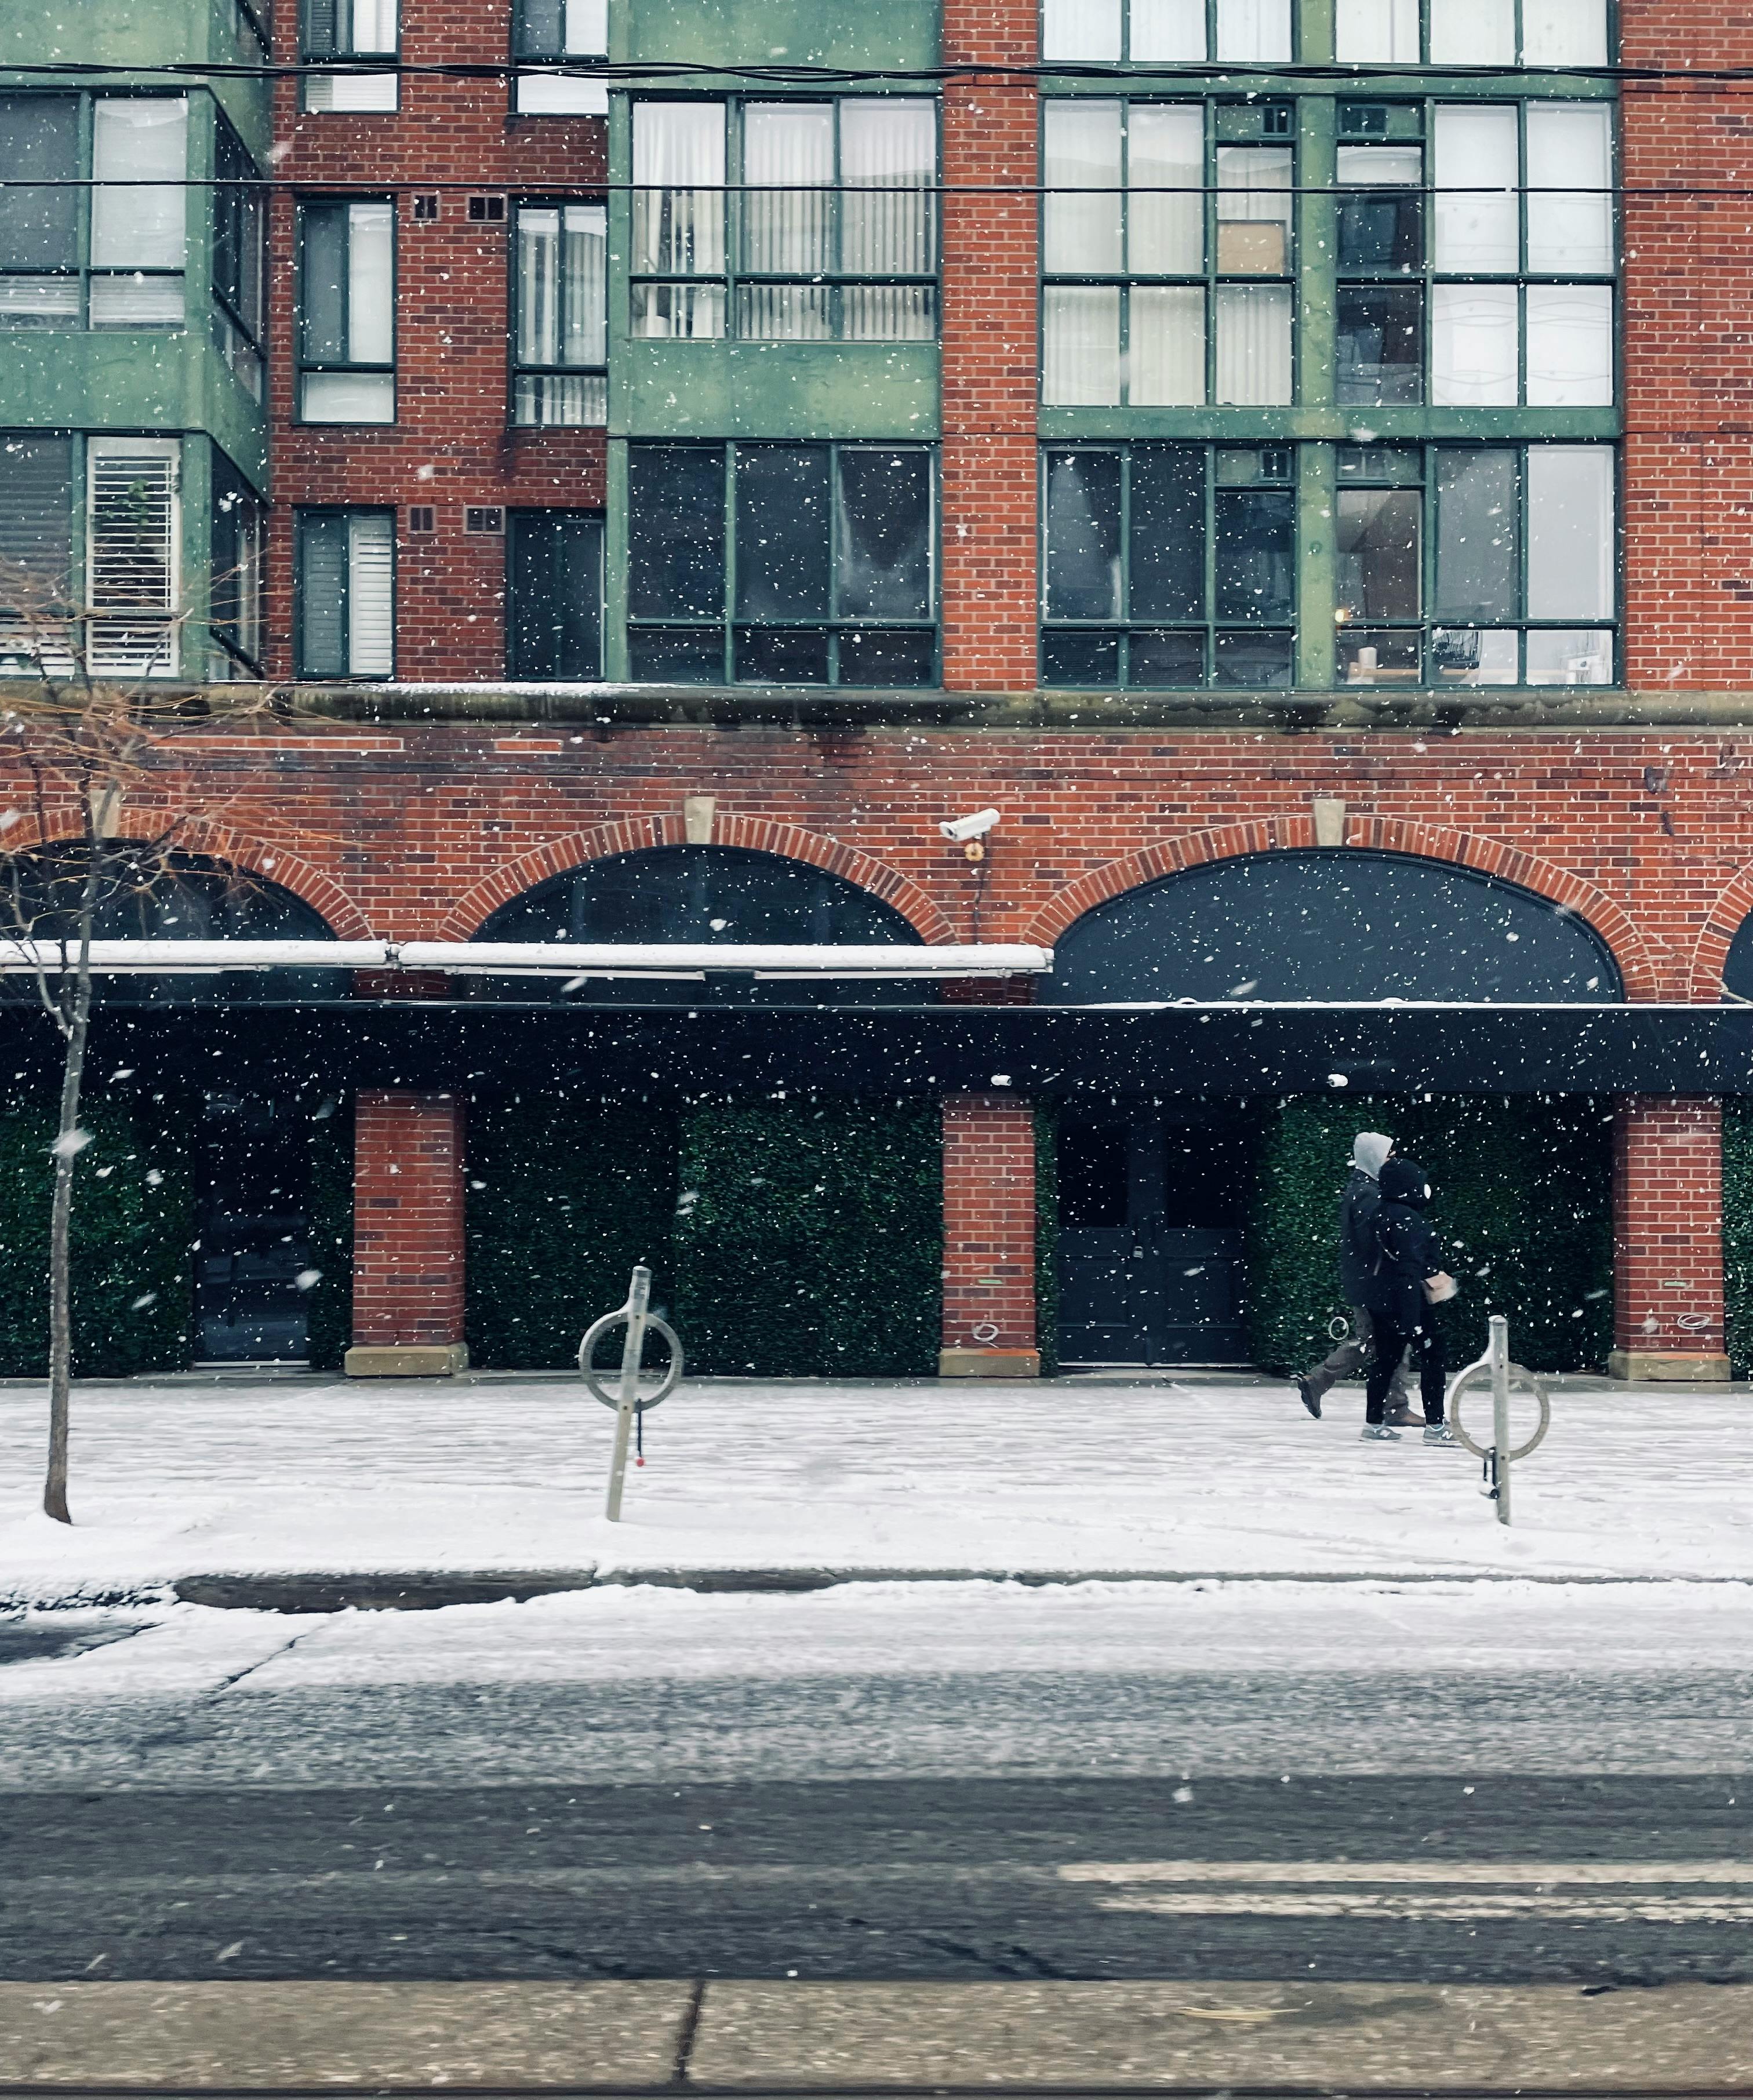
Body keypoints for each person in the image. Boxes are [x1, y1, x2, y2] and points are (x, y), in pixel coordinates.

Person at [1294, 1131, 1416, 1425]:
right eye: (1388, 1155)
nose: (1393, 1159)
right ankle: (1395, 1408)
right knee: (1394, 1341)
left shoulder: (1364, 1189)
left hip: (1367, 1282)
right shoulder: (1368, 1194)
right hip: (1376, 1284)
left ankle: (1318, 1381)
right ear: (1374, 1157)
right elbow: (1376, 1240)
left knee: (1373, 1341)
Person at [1359, 1155, 1459, 1446]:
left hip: (1380, 1299)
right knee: (1433, 1359)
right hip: (1407, 1301)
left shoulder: (1377, 1214)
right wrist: (1411, 1319)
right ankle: (1436, 1426)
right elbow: (1409, 1269)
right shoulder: (1408, 1219)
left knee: (1385, 1361)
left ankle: (1374, 1422)